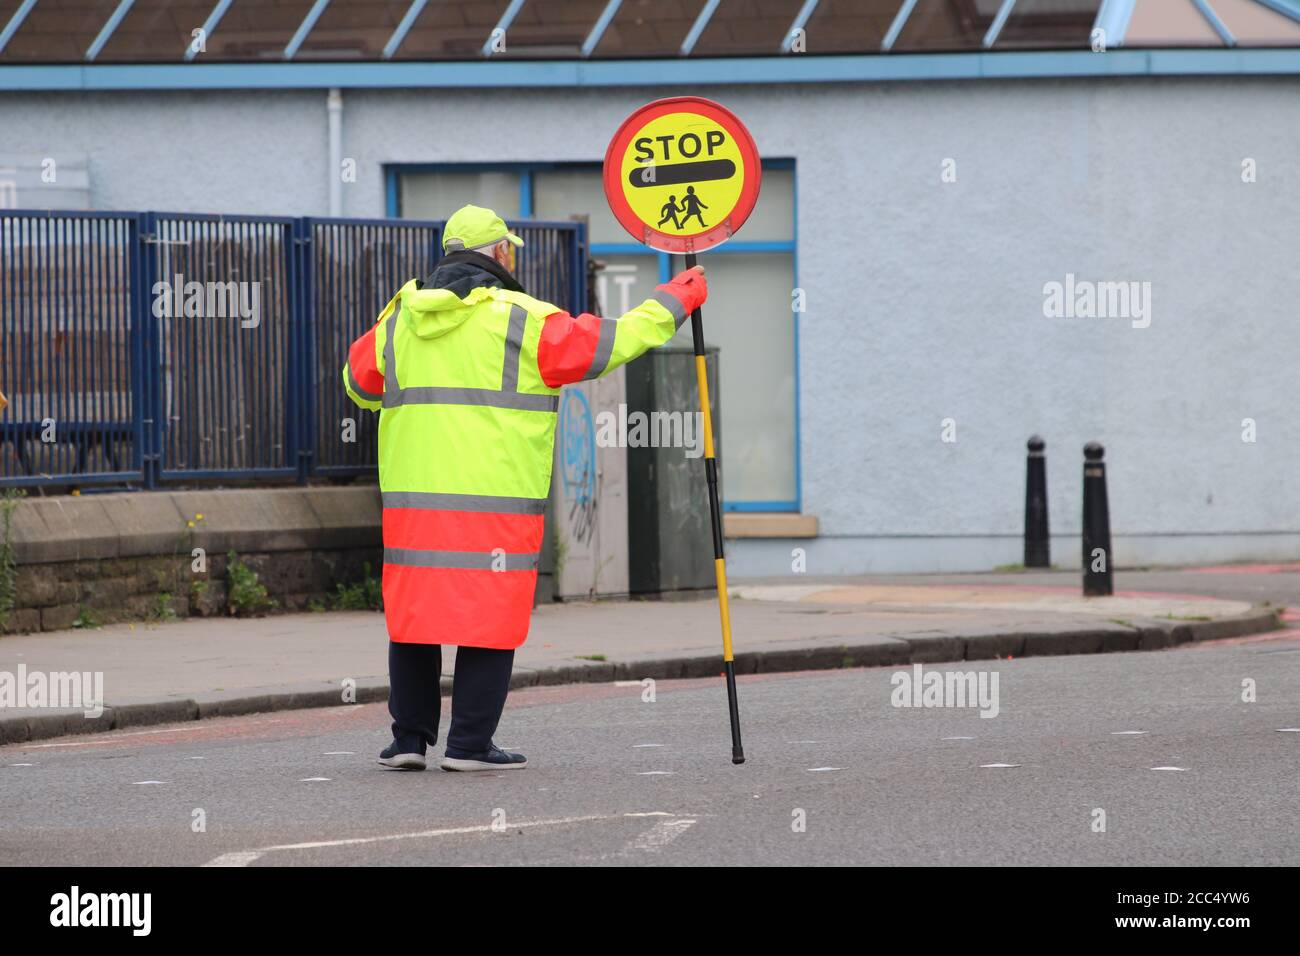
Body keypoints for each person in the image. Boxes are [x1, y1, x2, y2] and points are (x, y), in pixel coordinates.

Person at [342, 204, 708, 772]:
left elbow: (358, 383)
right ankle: (468, 747)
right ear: (501, 254)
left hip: (415, 507)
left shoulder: (399, 317)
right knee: (488, 622)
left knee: (416, 620)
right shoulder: (523, 320)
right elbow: (608, 344)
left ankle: (409, 742)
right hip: (495, 505)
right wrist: (676, 301)